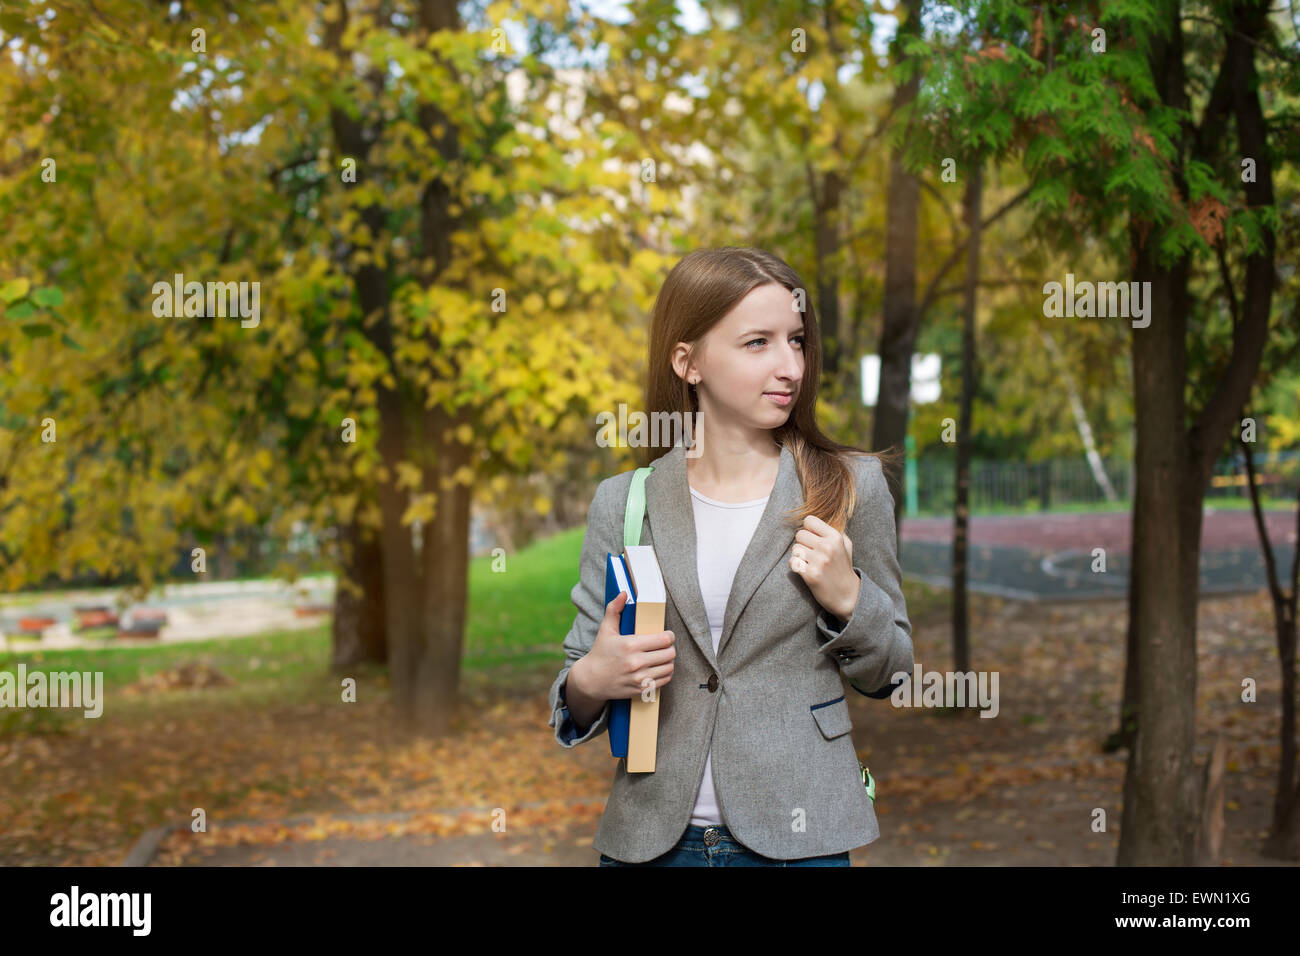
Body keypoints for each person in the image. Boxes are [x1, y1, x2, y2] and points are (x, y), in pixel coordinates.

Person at [547, 246, 913, 866]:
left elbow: (894, 673)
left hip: (801, 842)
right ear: (687, 362)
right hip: (653, 843)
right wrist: (593, 677)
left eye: (796, 340)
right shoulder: (623, 502)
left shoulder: (850, 487)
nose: (789, 365)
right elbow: (575, 687)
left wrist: (850, 599)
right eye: (758, 343)